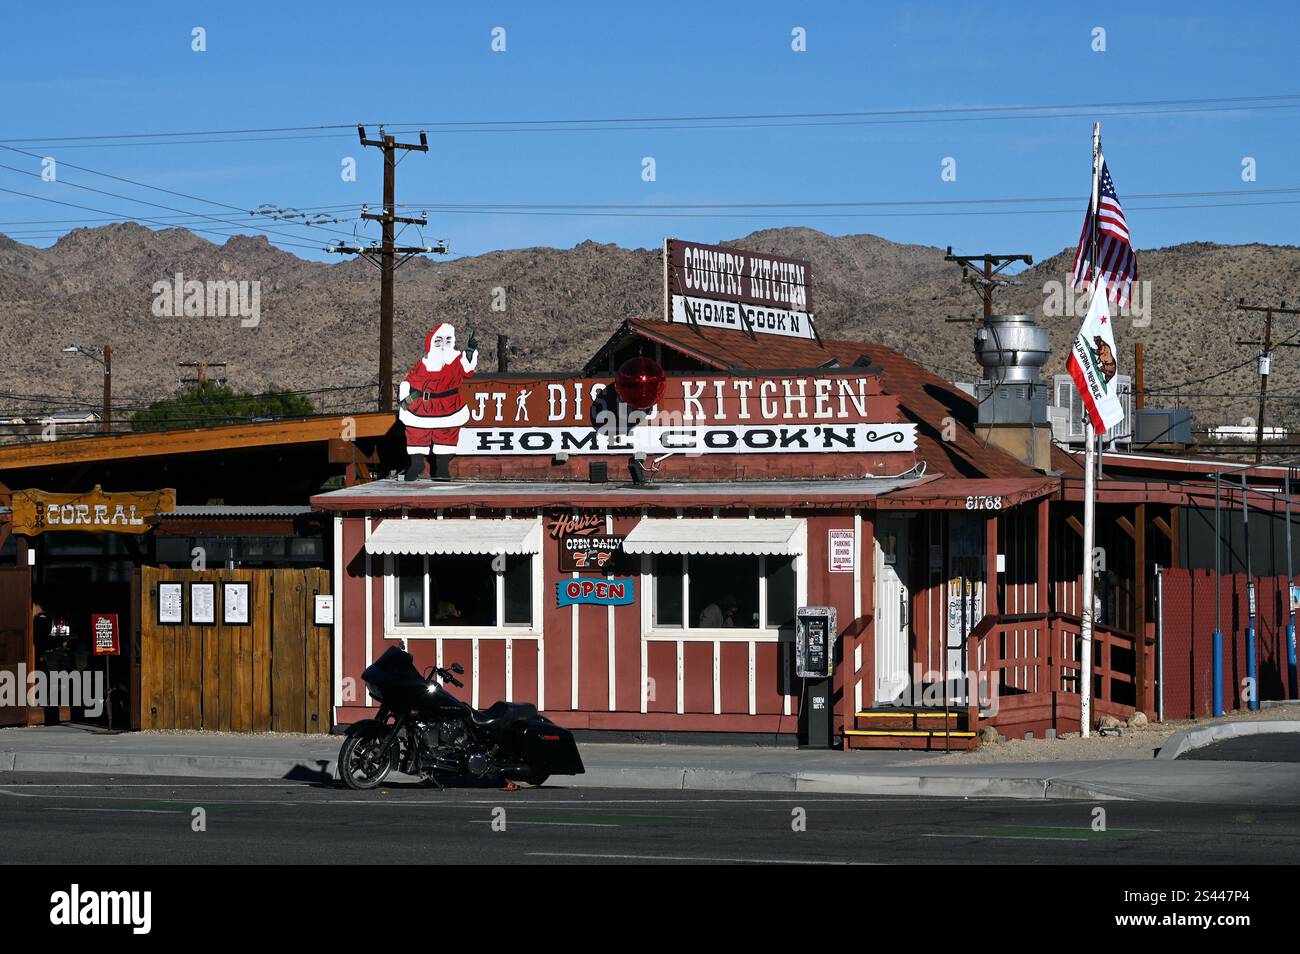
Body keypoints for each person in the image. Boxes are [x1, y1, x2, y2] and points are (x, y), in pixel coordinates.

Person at [398, 323, 479, 481]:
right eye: (438, 341)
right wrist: (405, 403)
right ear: (431, 343)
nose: (443, 345)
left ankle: (442, 467)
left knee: (446, 435)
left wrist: (470, 353)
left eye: (448, 341)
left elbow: (468, 371)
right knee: (417, 434)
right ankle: (417, 464)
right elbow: (410, 382)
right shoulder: (422, 363)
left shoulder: (457, 360)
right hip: (422, 405)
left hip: (448, 406)